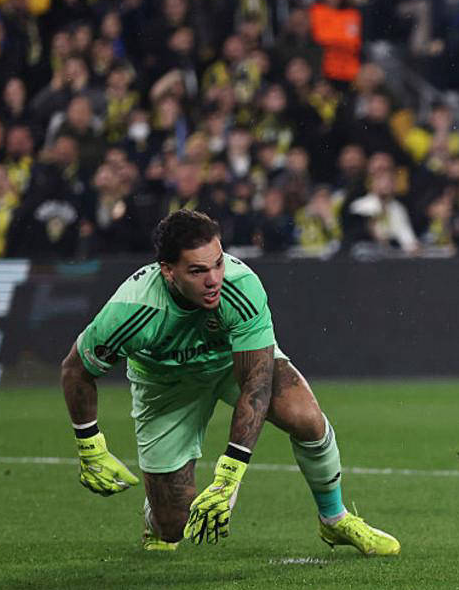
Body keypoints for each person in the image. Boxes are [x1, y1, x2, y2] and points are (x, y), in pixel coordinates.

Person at [59, 209, 399, 555]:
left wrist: (229, 476)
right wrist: (90, 446)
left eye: (218, 264)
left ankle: (334, 519)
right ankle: (157, 517)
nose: (213, 280)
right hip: (166, 384)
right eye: (197, 271)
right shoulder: (131, 309)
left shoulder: (242, 286)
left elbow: (256, 383)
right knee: (173, 526)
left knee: (306, 417)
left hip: (230, 363)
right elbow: (76, 370)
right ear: (168, 271)